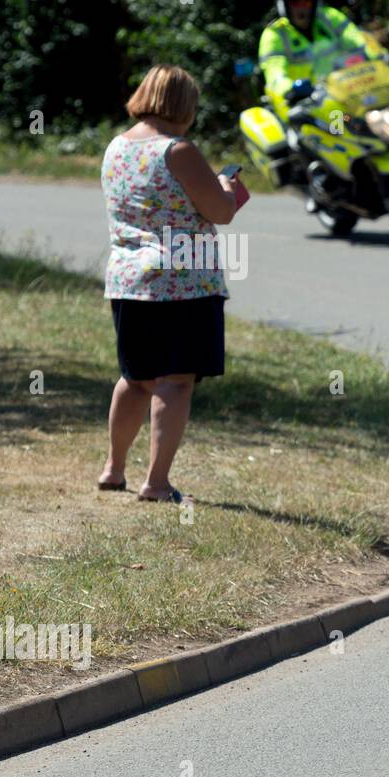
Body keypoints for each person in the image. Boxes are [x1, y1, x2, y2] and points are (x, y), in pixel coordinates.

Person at [97, 64, 244, 502]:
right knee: (175, 382)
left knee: (135, 378)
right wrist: (227, 185)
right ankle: (157, 483)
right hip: (184, 281)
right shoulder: (179, 150)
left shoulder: (116, 147)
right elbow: (220, 210)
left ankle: (113, 468)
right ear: (183, 105)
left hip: (128, 279)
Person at [257, 0, 387, 120]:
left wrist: (382, 59)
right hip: (304, 107)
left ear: (315, 3)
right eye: (294, 2)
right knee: (337, 134)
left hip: (346, 96)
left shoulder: (330, 18)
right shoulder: (275, 34)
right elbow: (274, 73)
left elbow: (359, 43)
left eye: (306, 2)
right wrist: (290, 90)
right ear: (285, 4)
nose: (300, 8)